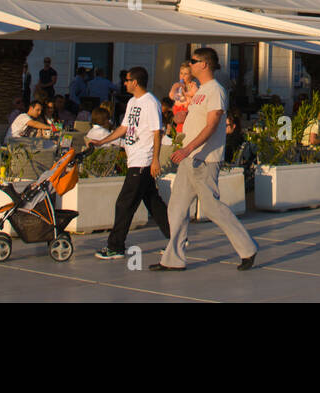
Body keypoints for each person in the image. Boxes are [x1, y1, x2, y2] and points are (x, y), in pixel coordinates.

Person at [152, 47, 258, 272]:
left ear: (204, 64)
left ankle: (247, 248)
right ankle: (173, 259)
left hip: (205, 159)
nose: (189, 64)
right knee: (177, 208)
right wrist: (183, 117)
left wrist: (189, 147)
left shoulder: (216, 91)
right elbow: (199, 119)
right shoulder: (199, 91)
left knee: (211, 207)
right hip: (190, 157)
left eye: (193, 61)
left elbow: (212, 124)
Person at [90, 67, 171, 260]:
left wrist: (155, 160)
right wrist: (103, 141)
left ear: (135, 82)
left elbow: (156, 133)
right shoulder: (132, 102)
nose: (124, 83)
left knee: (124, 204)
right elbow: (124, 128)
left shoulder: (150, 103)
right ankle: (177, 237)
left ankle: (115, 246)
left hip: (143, 160)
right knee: (154, 202)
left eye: (127, 80)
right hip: (133, 158)